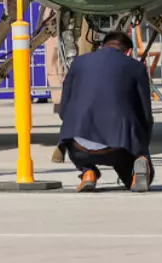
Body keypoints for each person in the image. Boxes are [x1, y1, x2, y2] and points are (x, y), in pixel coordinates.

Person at [57, 31, 154, 193]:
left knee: (73, 134)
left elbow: (63, 110)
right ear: (129, 52)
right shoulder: (135, 67)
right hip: (119, 148)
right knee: (132, 159)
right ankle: (138, 165)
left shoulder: (78, 63)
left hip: (80, 147)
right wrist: (142, 147)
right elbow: (145, 113)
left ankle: (88, 172)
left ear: (101, 47)